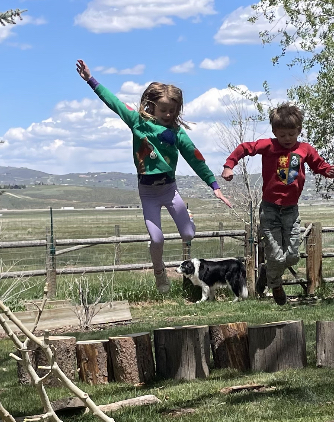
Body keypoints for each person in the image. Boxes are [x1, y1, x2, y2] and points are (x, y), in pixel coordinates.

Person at [76, 59, 232, 294]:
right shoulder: (137, 122)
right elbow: (114, 102)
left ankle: (187, 217)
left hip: (169, 190)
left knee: (188, 234)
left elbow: (195, 157)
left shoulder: (177, 133)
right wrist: (91, 80)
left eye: (173, 110)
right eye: (163, 110)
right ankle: (160, 274)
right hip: (148, 193)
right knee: (157, 239)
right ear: (152, 106)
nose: (168, 114)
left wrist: (214, 185)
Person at [221, 101, 334, 304]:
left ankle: (268, 272)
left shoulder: (305, 149)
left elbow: (318, 163)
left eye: (291, 135)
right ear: (274, 131)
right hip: (270, 209)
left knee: (292, 256)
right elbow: (244, 148)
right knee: (276, 255)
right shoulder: (269, 145)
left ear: (299, 130)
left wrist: (326, 170)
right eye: (282, 135)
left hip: (291, 210)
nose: (286, 139)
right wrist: (229, 165)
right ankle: (275, 284)